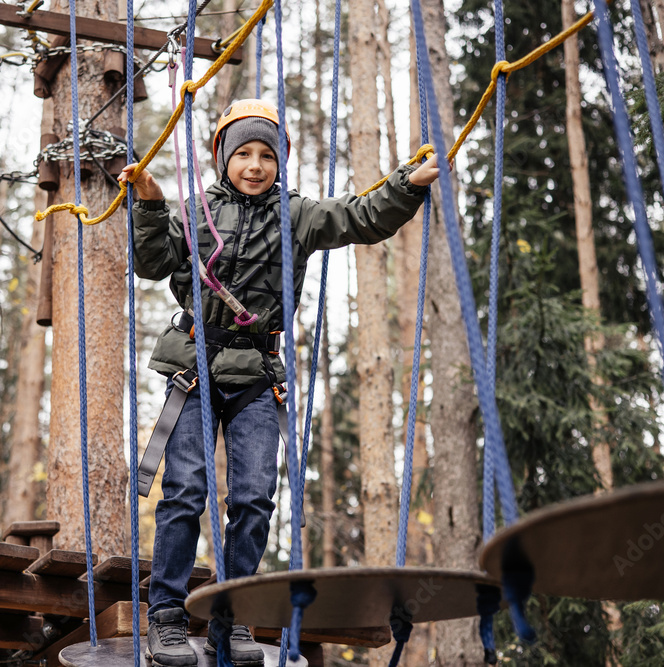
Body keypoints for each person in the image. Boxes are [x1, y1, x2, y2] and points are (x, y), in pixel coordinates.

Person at [119, 99, 443, 667]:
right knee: (185, 492)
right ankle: (166, 614)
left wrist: (405, 185)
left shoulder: (295, 215)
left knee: (253, 499)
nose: (254, 164)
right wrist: (148, 204)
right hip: (195, 367)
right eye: (242, 153)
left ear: (280, 162)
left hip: (257, 374)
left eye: (266, 155)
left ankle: (231, 615)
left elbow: (360, 217)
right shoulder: (196, 212)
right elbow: (152, 260)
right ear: (223, 159)